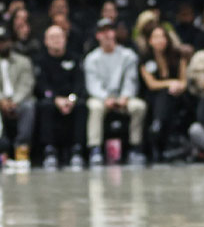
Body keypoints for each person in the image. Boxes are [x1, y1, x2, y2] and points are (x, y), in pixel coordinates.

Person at [83, 18, 146, 166]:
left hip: (123, 97)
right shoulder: (91, 58)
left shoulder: (128, 55)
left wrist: (125, 96)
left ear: (115, 33)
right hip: (101, 98)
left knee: (139, 107)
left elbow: (131, 80)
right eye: (102, 31)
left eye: (110, 30)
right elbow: (93, 85)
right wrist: (106, 98)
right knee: (95, 107)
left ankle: (135, 147)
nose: (107, 35)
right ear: (98, 36)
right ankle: (95, 149)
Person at [35, 25, 87, 169]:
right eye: (52, 37)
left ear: (65, 39)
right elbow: (42, 86)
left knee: (82, 106)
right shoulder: (41, 61)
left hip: (71, 99)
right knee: (45, 106)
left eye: (59, 37)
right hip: (52, 99)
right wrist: (56, 99)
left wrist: (71, 99)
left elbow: (79, 83)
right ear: (45, 41)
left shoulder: (75, 58)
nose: (56, 40)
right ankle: (49, 150)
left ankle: (77, 150)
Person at [139, 25, 189, 162]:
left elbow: (184, 81)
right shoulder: (145, 58)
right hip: (154, 96)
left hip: (177, 94)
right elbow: (151, 84)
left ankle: (157, 126)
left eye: (162, 37)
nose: (160, 40)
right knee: (164, 96)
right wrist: (170, 83)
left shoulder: (178, 56)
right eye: (156, 37)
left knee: (170, 96)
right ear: (150, 41)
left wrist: (177, 86)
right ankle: (161, 133)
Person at [0, 24, 36, 170]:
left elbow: (26, 85)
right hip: (1, 101)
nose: (2, 44)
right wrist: (1, 101)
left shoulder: (23, 61)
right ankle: (2, 152)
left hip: (18, 100)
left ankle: (21, 150)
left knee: (29, 106)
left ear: (11, 42)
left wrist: (14, 102)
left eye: (4, 40)